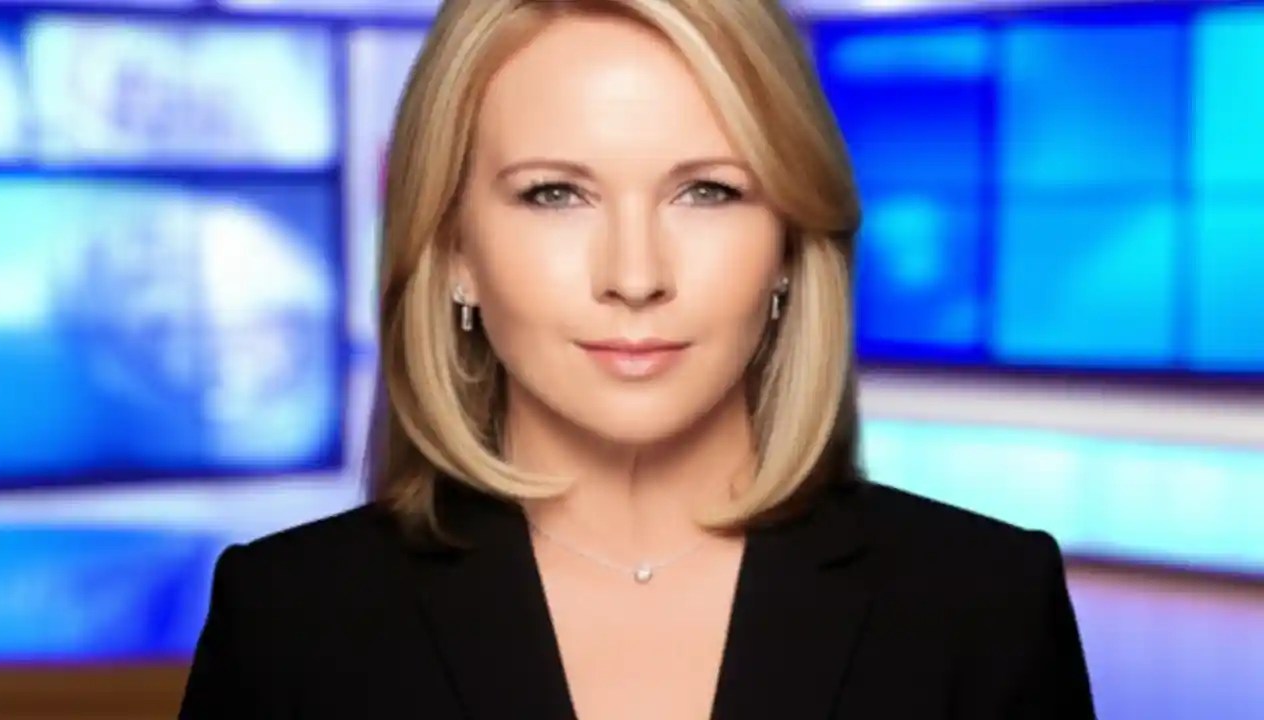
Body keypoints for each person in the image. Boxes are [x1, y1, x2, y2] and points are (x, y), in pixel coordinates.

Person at [179, 0, 1096, 717]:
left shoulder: (982, 608)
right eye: (553, 194)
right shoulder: (289, 623)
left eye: (705, 191)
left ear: (785, 242)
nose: (634, 275)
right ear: (454, 249)